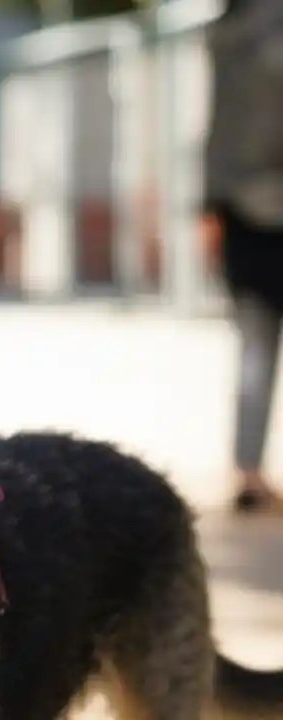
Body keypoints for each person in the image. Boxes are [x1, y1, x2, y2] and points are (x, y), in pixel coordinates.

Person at [202, 0, 283, 516]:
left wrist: (210, 203)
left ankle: (246, 469)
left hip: (239, 209)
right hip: (263, 207)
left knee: (255, 351)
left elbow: (216, 133)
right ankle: (249, 472)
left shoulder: (227, 32)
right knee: (254, 349)